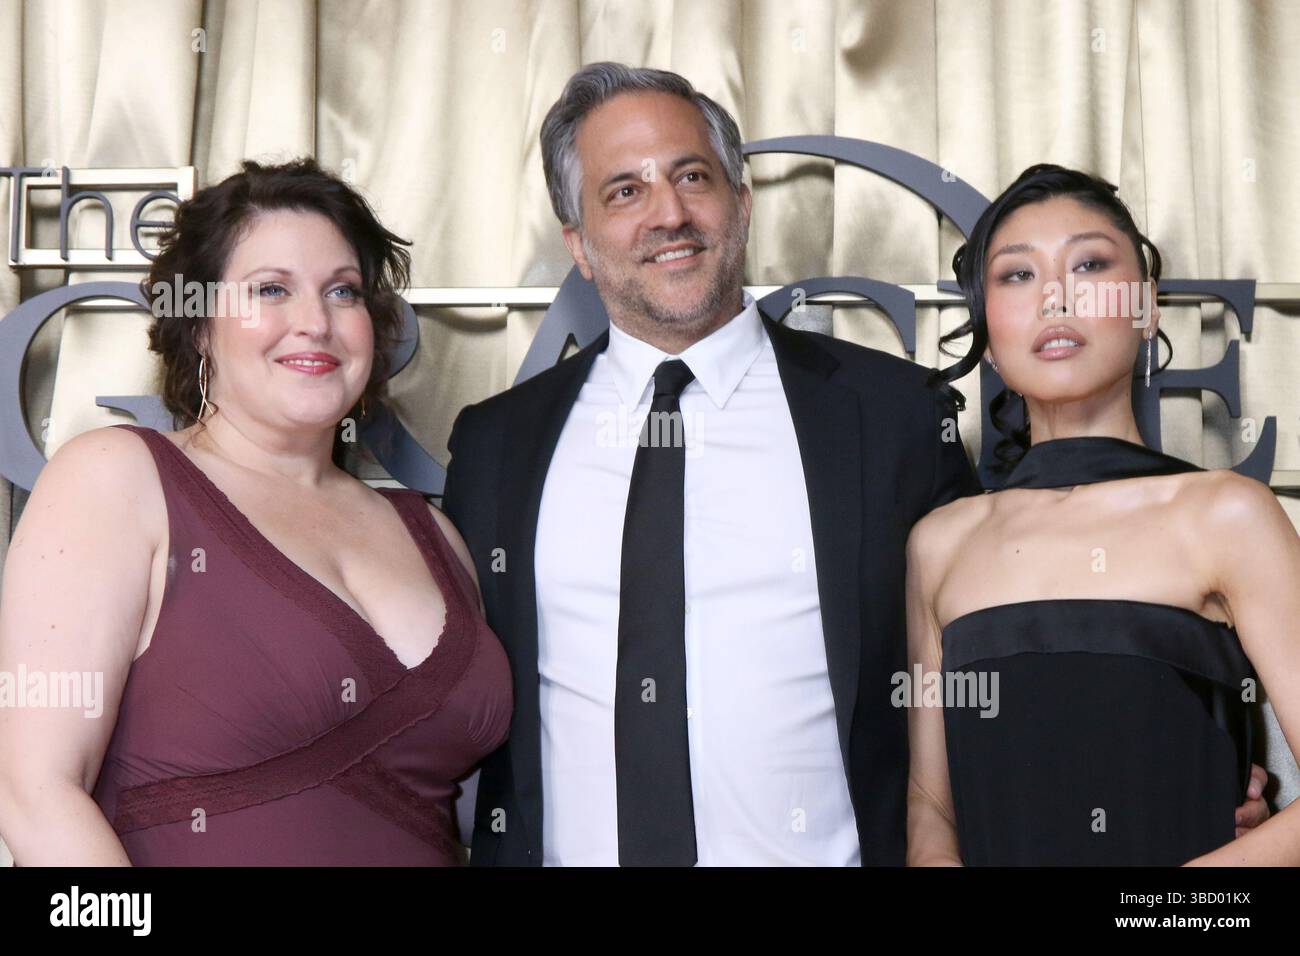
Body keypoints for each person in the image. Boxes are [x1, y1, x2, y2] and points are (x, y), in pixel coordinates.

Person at [442, 61, 985, 866]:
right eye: (623, 191)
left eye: (692, 176)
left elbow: (985, 659)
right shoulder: (496, 445)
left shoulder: (894, 418)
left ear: (742, 203)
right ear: (580, 246)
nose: (669, 214)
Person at [0, 158, 511, 865]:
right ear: (199, 325)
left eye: (343, 291)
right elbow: (33, 798)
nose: (315, 322)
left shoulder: (434, 535)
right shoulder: (117, 479)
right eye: (271, 289)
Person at [905, 163, 1298, 865]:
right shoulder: (942, 543)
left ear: (1146, 307)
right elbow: (932, 811)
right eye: (1017, 276)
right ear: (987, 332)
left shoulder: (1228, 514)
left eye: (1088, 264)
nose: (1055, 298)